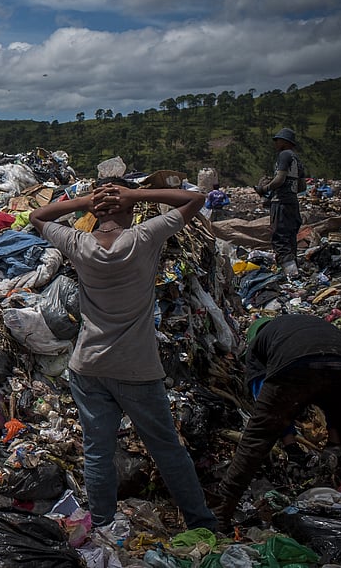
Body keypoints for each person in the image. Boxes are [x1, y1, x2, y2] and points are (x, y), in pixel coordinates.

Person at [30, 177, 219, 533]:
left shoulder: (78, 242)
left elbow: (38, 216)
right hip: (137, 369)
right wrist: (135, 194)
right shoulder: (144, 237)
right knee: (167, 450)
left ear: (96, 213)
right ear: (132, 209)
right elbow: (195, 199)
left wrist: (83, 201)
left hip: (88, 366)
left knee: (97, 452)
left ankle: (102, 526)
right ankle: (201, 523)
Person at [211, 314, 341, 530]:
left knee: (255, 441)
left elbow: (266, 403)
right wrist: (335, 444)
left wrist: (291, 447)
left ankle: (221, 512)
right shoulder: (307, 324)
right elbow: (336, 402)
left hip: (296, 362)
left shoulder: (257, 345)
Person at [254, 127, 304, 277]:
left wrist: (265, 189)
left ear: (285, 142)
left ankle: (291, 273)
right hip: (293, 203)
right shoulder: (297, 159)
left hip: (281, 202)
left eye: (278, 140)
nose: (275, 144)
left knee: (280, 237)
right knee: (290, 237)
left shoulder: (284, 155)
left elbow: (280, 179)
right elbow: (302, 186)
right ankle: (294, 268)